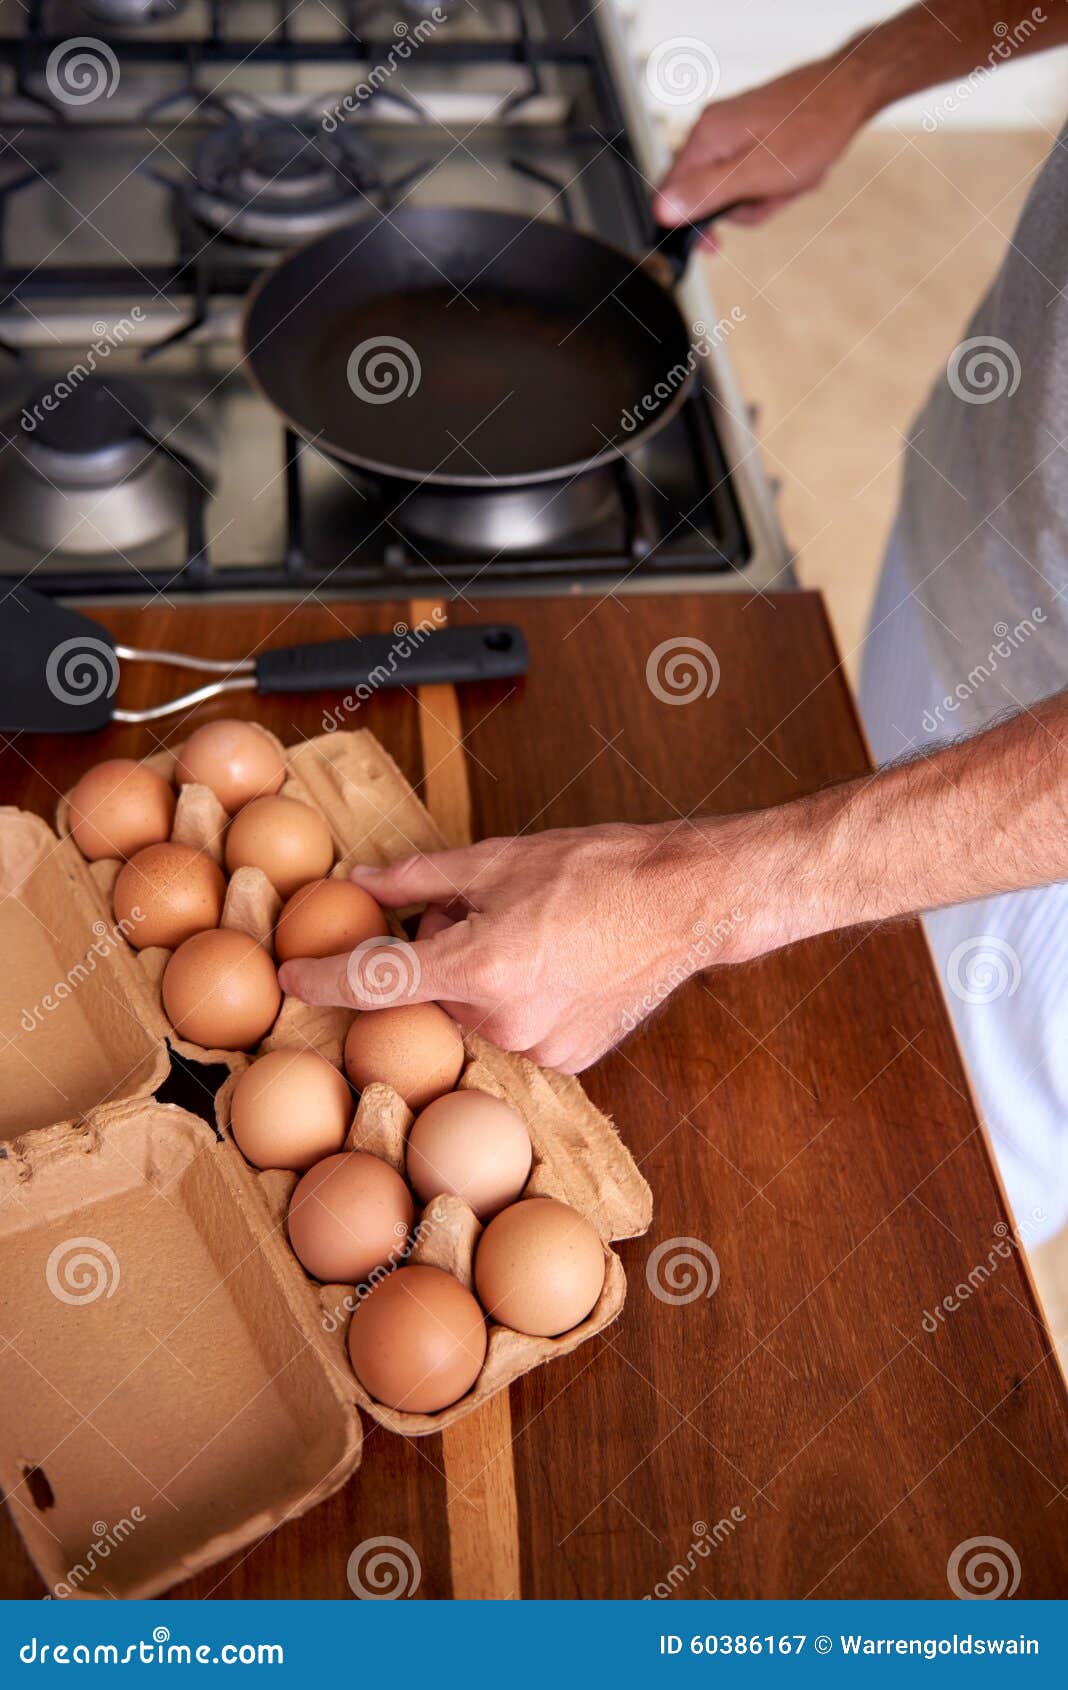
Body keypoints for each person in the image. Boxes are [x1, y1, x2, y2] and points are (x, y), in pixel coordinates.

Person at [281, 1, 1068, 1251]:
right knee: (856, 942)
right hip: (996, 520)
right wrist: (867, 71)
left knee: (905, 1202)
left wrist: (685, 898)